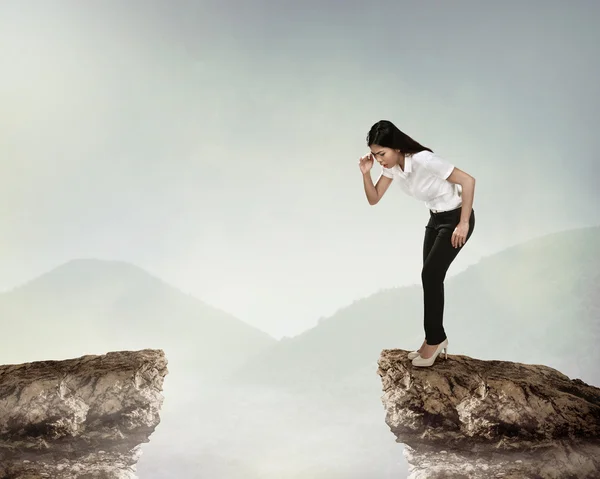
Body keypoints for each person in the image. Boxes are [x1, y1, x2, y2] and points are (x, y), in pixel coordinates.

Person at [359, 120, 476, 367]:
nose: (380, 159)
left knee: (431, 276)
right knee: (430, 278)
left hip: (455, 218)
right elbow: (374, 198)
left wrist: (463, 224)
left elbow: (468, 181)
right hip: (435, 219)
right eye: (375, 155)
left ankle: (435, 340)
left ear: (397, 147)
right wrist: (366, 173)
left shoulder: (424, 160)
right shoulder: (393, 168)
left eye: (382, 153)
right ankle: (432, 339)